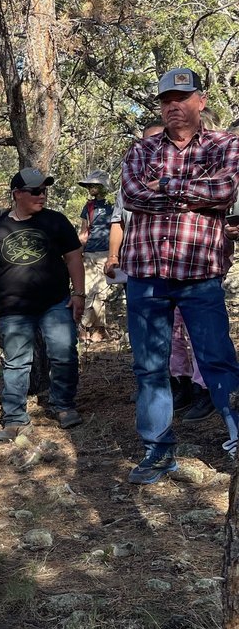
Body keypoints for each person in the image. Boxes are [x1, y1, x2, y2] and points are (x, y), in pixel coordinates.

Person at [119, 67, 239, 483]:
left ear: (200, 101)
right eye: (166, 100)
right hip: (146, 275)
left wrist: (163, 186)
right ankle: (158, 450)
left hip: (200, 273)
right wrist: (192, 191)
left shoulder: (226, 144)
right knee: (149, 367)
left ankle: (235, 441)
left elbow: (223, 192)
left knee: (217, 359)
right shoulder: (140, 149)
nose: (173, 106)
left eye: (182, 98)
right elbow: (133, 194)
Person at [0, 169, 85, 440]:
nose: (42, 195)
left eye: (44, 190)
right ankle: (13, 419)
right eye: (36, 191)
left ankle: (64, 405)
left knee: (64, 353)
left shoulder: (56, 221)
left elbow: (73, 258)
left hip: (56, 303)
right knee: (16, 363)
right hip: (14, 308)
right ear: (17, 194)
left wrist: (79, 294)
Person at [77, 171, 114, 342]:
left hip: (107, 253)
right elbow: (84, 231)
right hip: (90, 253)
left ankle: (84, 327)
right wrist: (77, 252)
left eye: (94, 185)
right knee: (89, 291)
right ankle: (98, 329)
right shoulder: (89, 207)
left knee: (100, 292)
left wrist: (116, 254)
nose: (91, 188)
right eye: (89, 185)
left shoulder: (113, 204)